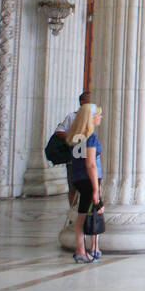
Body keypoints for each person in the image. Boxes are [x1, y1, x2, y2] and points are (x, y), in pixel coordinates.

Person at [66, 103, 104, 263]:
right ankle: (81, 250)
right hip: (89, 180)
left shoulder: (76, 136)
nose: (100, 117)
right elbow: (91, 164)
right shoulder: (90, 137)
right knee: (84, 215)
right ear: (91, 118)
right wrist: (96, 188)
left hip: (78, 178)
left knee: (89, 212)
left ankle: (89, 248)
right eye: (98, 115)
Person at [52, 90, 91, 221]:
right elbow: (59, 131)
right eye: (89, 100)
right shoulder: (72, 117)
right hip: (75, 157)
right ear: (82, 102)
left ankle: (86, 213)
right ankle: (73, 213)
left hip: (90, 157)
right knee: (73, 186)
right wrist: (74, 137)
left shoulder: (95, 117)